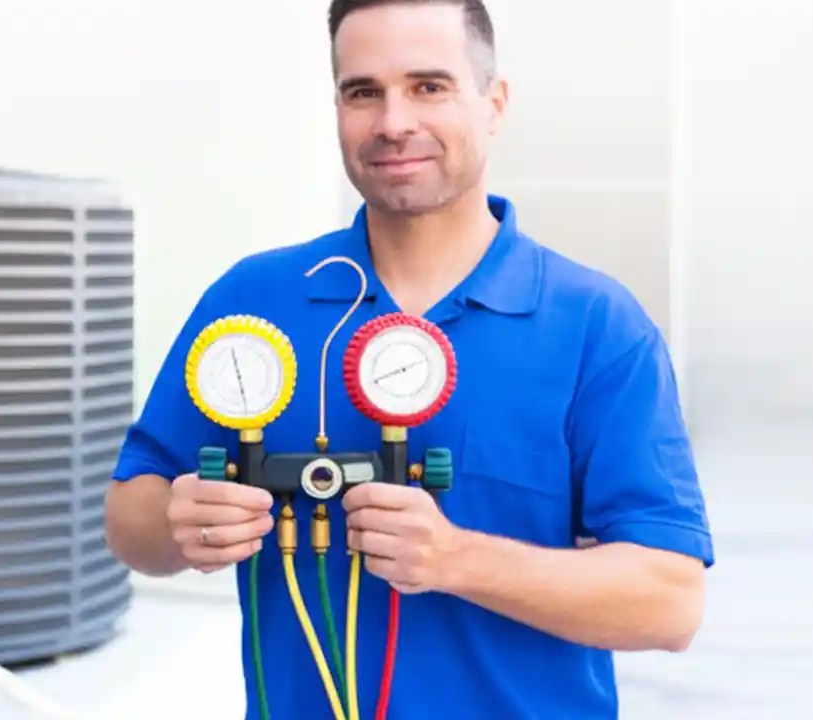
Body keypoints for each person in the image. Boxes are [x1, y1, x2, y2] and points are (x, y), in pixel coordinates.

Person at [104, 1, 713, 718]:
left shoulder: (595, 326)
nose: (394, 122)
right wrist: (179, 524)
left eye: (429, 86)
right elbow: (129, 517)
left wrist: (455, 558)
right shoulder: (255, 302)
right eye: (364, 91)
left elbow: (669, 601)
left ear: (494, 103)